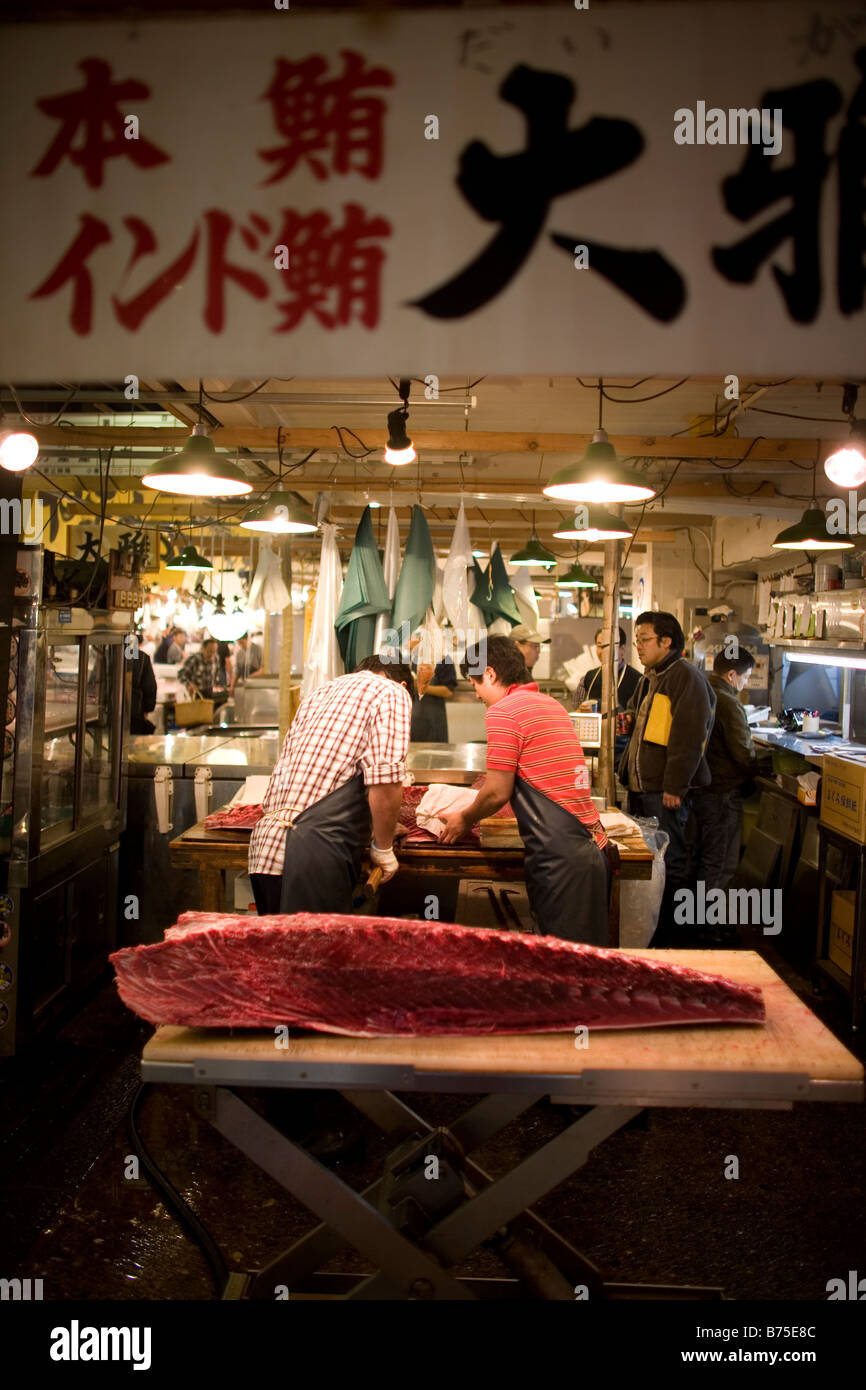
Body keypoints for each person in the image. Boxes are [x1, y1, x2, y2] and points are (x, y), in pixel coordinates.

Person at [440, 636, 616, 945]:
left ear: (490, 674)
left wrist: (464, 819)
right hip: (591, 850)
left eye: (476, 684)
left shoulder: (503, 711)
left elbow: (496, 792)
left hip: (563, 860)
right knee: (584, 967)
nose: (478, 694)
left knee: (564, 969)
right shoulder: (550, 704)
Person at [248, 655, 415, 915]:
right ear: (404, 685)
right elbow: (385, 782)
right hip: (311, 856)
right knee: (316, 955)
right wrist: (383, 848)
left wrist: (380, 824)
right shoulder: (393, 693)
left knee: (279, 953)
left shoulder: (321, 692)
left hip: (264, 849)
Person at [618, 611, 716, 939]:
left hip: (664, 790)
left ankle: (674, 936)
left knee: (671, 862)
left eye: (644, 640)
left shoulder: (685, 677)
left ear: (666, 641)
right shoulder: (652, 676)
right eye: (637, 641)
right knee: (652, 861)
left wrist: (676, 785)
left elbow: (689, 737)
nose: (639, 648)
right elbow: (642, 720)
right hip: (644, 787)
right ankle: (651, 930)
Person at [691, 649, 759, 901]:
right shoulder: (729, 703)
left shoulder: (701, 693)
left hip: (700, 789)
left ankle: (694, 921)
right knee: (717, 863)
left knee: (700, 857)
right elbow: (743, 753)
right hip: (722, 793)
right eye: (745, 677)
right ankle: (706, 927)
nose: (745, 683)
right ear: (732, 675)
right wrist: (757, 769)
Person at [574, 627, 642, 710]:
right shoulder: (588, 677)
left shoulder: (638, 680)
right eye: (599, 646)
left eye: (608, 646)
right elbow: (576, 710)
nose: (603, 651)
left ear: (622, 649)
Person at [410, 654, 457, 742]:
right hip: (416, 718)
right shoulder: (415, 659)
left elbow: (448, 692)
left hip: (435, 719)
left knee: (437, 752)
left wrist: (422, 687)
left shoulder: (445, 660)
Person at [129, 633, 157, 735]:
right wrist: (148, 708)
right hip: (135, 709)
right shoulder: (142, 658)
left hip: (109, 710)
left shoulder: (108, 654)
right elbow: (150, 686)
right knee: (133, 742)